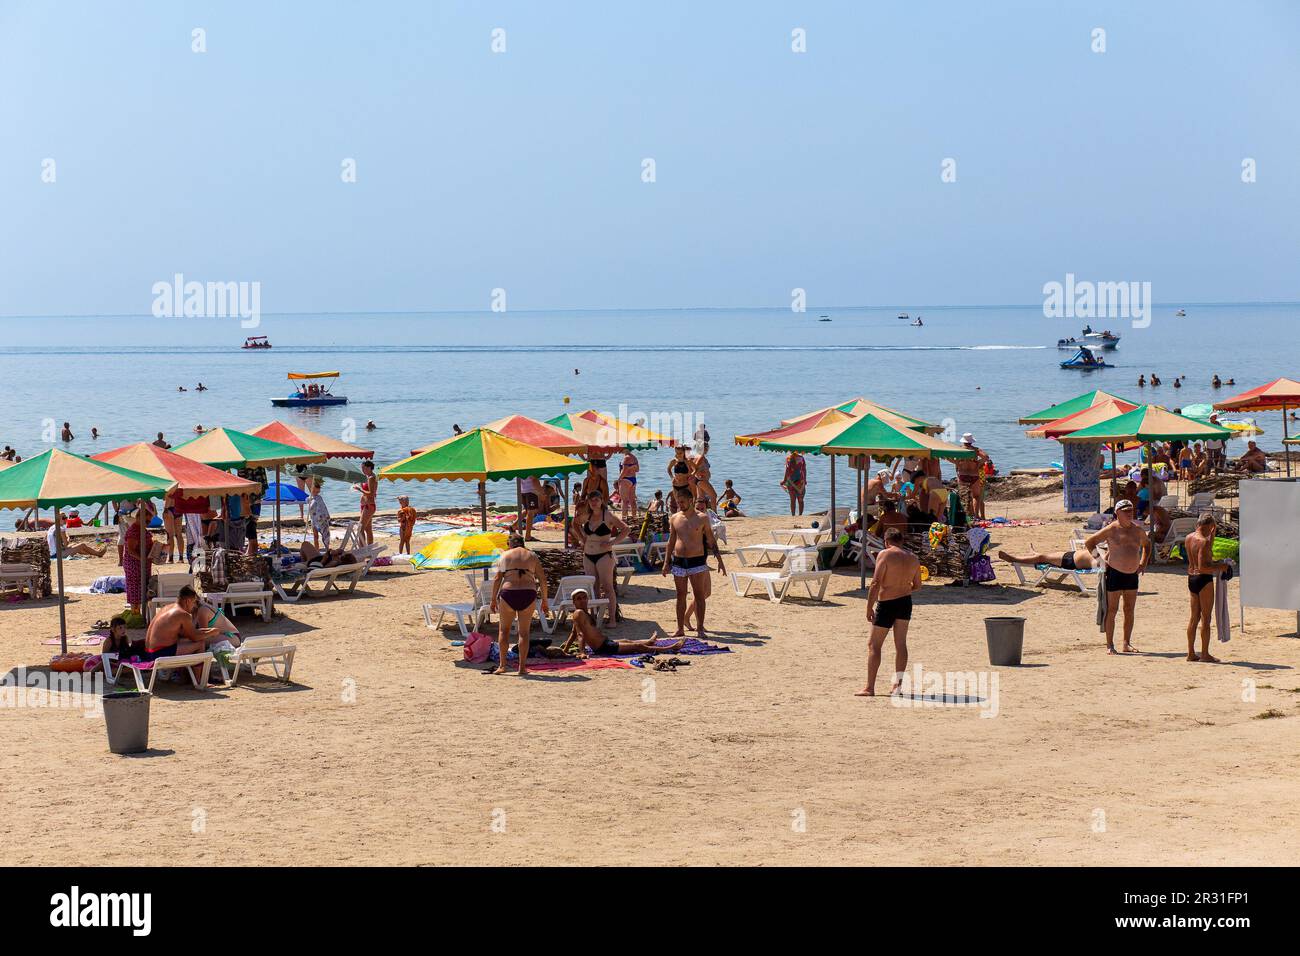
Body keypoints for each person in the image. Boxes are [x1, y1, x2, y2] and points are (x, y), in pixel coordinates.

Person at [856, 527, 922, 697]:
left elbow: (875, 583)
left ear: (886, 541)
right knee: (900, 644)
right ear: (901, 541)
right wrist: (901, 587)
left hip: (887, 603)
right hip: (905, 602)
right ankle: (897, 686)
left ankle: (870, 687)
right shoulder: (913, 558)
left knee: (874, 645)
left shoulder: (885, 554)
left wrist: (869, 606)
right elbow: (917, 585)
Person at [1084, 500, 1149, 655]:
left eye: (1131, 510)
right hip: (1115, 572)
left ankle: (1126, 643)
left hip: (1132, 574)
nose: (1129, 513)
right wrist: (1100, 562)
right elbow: (1089, 542)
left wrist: (1143, 563)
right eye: (1125, 510)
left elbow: (1147, 545)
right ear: (1117, 513)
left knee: (1129, 609)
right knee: (1112, 610)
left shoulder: (1138, 530)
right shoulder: (1111, 529)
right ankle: (1110, 645)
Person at [662, 488, 725, 637]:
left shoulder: (702, 518)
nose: (680, 504)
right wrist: (666, 562)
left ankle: (700, 628)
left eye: (682, 501)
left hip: (697, 561)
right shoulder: (675, 518)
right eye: (678, 502)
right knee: (680, 595)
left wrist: (720, 561)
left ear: (690, 500)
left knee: (699, 595)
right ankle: (679, 628)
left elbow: (711, 540)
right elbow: (671, 542)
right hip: (678, 561)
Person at [489, 534, 550, 676]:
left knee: (503, 631)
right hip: (528, 594)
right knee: (524, 633)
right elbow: (542, 579)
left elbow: (498, 578)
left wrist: (493, 599)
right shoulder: (532, 555)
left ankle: (503, 666)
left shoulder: (505, 555)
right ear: (523, 544)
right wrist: (545, 600)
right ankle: (522, 668)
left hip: (509, 593)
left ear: (509, 544)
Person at [561, 589, 682, 658]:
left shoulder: (583, 613)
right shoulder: (578, 613)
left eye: (584, 597)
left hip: (605, 642)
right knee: (637, 647)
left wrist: (565, 650)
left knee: (627, 640)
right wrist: (582, 652)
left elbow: (573, 633)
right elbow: (580, 634)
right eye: (579, 598)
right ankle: (669, 648)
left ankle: (649, 642)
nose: (582, 600)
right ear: (574, 602)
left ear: (587, 599)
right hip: (604, 648)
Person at [574, 488, 628, 628]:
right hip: (588, 555)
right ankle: (595, 617)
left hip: (604, 555)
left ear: (601, 501)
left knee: (608, 586)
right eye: (591, 500)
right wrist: (582, 539)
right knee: (593, 587)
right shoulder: (587, 515)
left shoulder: (608, 515)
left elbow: (625, 529)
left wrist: (612, 542)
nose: (593, 502)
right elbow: (574, 523)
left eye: (596, 500)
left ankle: (612, 620)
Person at [142, 586, 218, 677]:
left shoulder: (167, 607)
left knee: (186, 641)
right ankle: (200, 680)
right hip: (158, 654)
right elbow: (194, 636)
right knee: (200, 643)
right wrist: (212, 632)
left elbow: (188, 633)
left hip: (148, 652)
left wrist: (209, 631)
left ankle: (183, 676)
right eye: (194, 602)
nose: (194, 606)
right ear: (188, 601)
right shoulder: (183, 614)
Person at [1184, 513, 1230, 664]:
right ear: (1209, 527)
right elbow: (1203, 567)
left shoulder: (1189, 538)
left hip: (1191, 579)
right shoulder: (1203, 542)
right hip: (1203, 580)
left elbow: (1205, 553)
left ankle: (1190, 652)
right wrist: (1222, 566)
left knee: (1194, 617)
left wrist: (1213, 532)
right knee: (1206, 618)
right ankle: (1205, 654)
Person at [999, 540, 1097, 571]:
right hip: (1072, 555)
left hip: (1070, 561)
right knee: (1043, 557)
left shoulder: (1103, 562)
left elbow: (1097, 564)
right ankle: (1034, 554)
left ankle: (1013, 559)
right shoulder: (1105, 556)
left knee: (1041, 558)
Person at [955, 433, 990, 520]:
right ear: (971, 441)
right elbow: (986, 457)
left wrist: (958, 463)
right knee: (976, 496)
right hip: (974, 474)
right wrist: (978, 463)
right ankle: (975, 516)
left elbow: (951, 458)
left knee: (964, 496)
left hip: (962, 475)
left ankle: (967, 516)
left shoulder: (959, 449)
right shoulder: (975, 450)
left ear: (963, 441)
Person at [353, 460, 377, 547]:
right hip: (365, 505)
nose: (362, 470)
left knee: (360, 529)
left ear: (369, 468)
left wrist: (359, 489)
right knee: (368, 529)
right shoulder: (367, 477)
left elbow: (371, 493)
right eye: (362, 468)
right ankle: (370, 549)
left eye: (364, 468)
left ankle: (362, 549)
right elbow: (366, 490)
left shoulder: (372, 478)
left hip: (369, 505)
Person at [306, 478, 331, 548]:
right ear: (311, 489)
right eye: (314, 491)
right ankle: (317, 550)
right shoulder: (308, 499)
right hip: (314, 520)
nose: (316, 493)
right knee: (315, 536)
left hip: (321, 519)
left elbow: (323, 508)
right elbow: (310, 508)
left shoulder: (319, 498)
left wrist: (327, 516)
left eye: (317, 492)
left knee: (325, 535)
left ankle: (327, 548)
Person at [781, 450, 807, 516]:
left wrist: (784, 481)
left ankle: (793, 515)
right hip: (800, 481)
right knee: (800, 499)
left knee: (793, 500)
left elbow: (787, 471)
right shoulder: (801, 458)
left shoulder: (789, 458)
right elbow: (804, 469)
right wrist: (805, 479)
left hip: (791, 481)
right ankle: (800, 515)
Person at [161, 489, 184, 563]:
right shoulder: (180, 486)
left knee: (170, 535)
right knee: (179, 535)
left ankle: (171, 558)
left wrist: (165, 509)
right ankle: (181, 558)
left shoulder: (170, 486)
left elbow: (168, 497)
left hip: (169, 508)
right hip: (179, 508)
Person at [616, 452, 639, 521]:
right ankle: (634, 517)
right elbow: (637, 470)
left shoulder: (626, 457)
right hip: (633, 479)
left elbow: (624, 471)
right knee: (632, 500)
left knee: (624, 501)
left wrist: (619, 479)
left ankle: (624, 519)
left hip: (626, 479)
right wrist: (631, 467)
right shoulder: (634, 457)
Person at [519, 475, 541, 541]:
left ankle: (514, 525)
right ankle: (528, 536)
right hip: (531, 492)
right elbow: (534, 479)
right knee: (531, 513)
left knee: (526, 511)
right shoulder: (531, 465)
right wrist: (541, 493)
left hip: (523, 491)